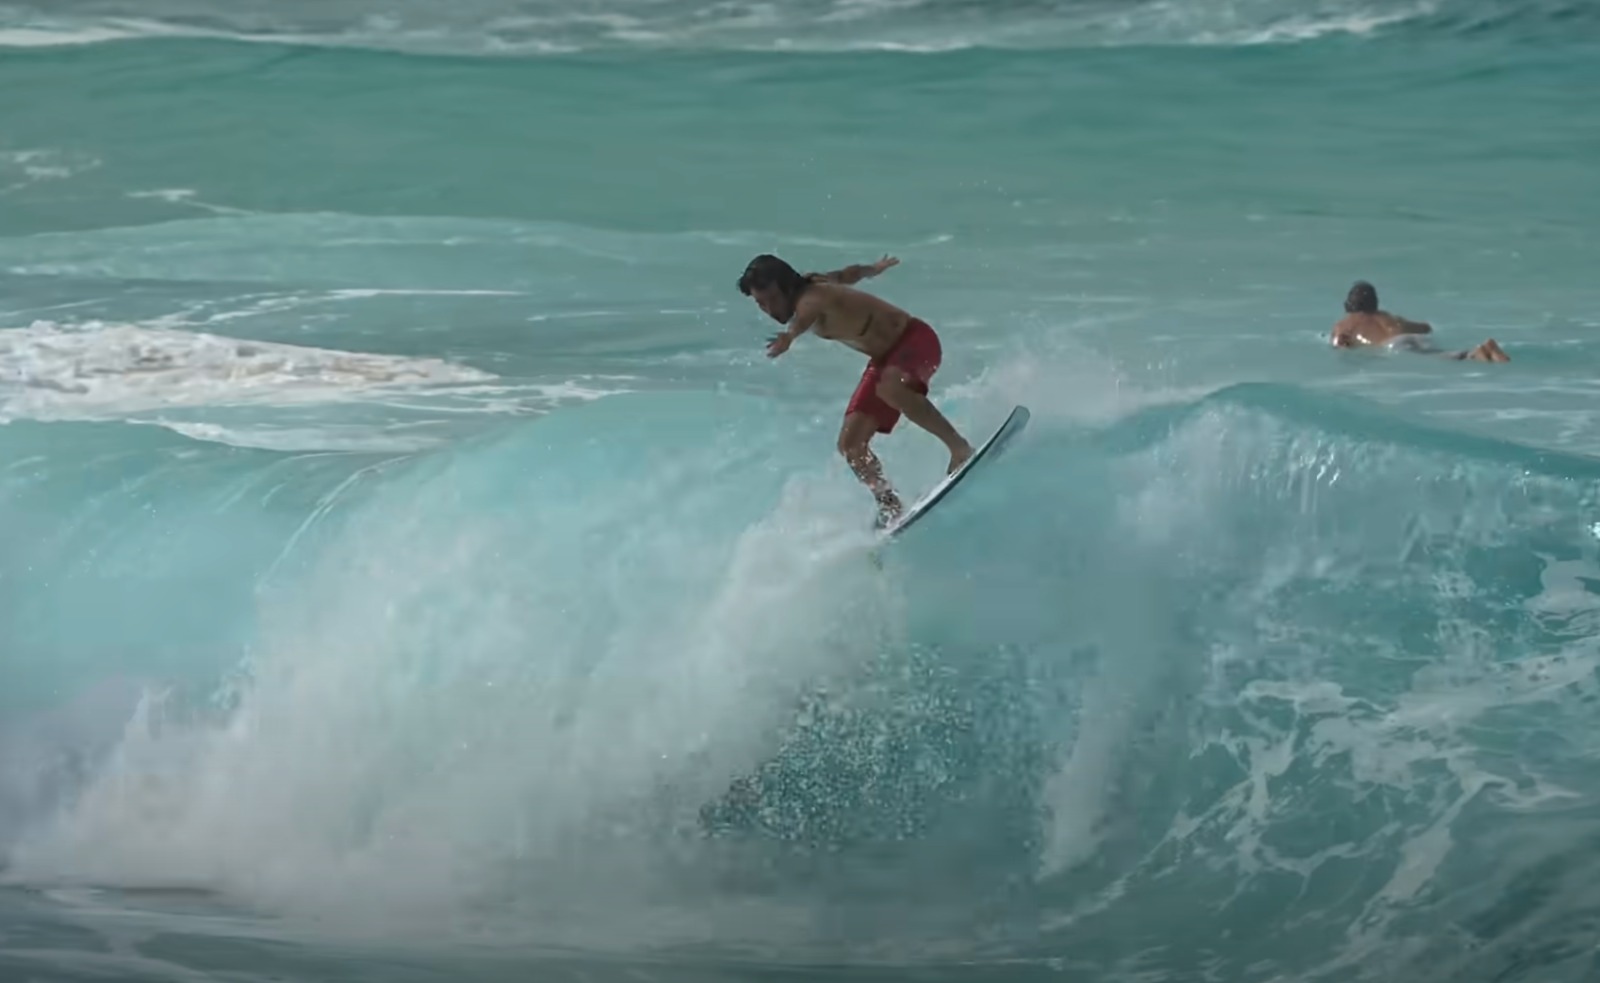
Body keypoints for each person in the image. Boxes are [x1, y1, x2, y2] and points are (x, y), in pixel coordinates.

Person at [737, 253, 975, 527]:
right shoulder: (819, 282)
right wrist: (872, 269)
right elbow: (847, 275)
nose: (768, 308)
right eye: (760, 303)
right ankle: (890, 505)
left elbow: (804, 317)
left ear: (787, 287)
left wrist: (790, 337)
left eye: (771, 299)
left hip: (916, 341)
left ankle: (959, 448)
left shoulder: (813, 298)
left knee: (890, 388)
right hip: (886, 362)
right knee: (850, 445)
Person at [1330, 280, 1509, 362]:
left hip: (1396, 345)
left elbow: (1339, 344)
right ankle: (1484, 351)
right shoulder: (1389, 317)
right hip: (1411, 337)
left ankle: (1475, 354)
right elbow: (1425, 328)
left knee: (1437, 357)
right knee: (1436, 352)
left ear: (1348, 305)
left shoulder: (1345, 324)